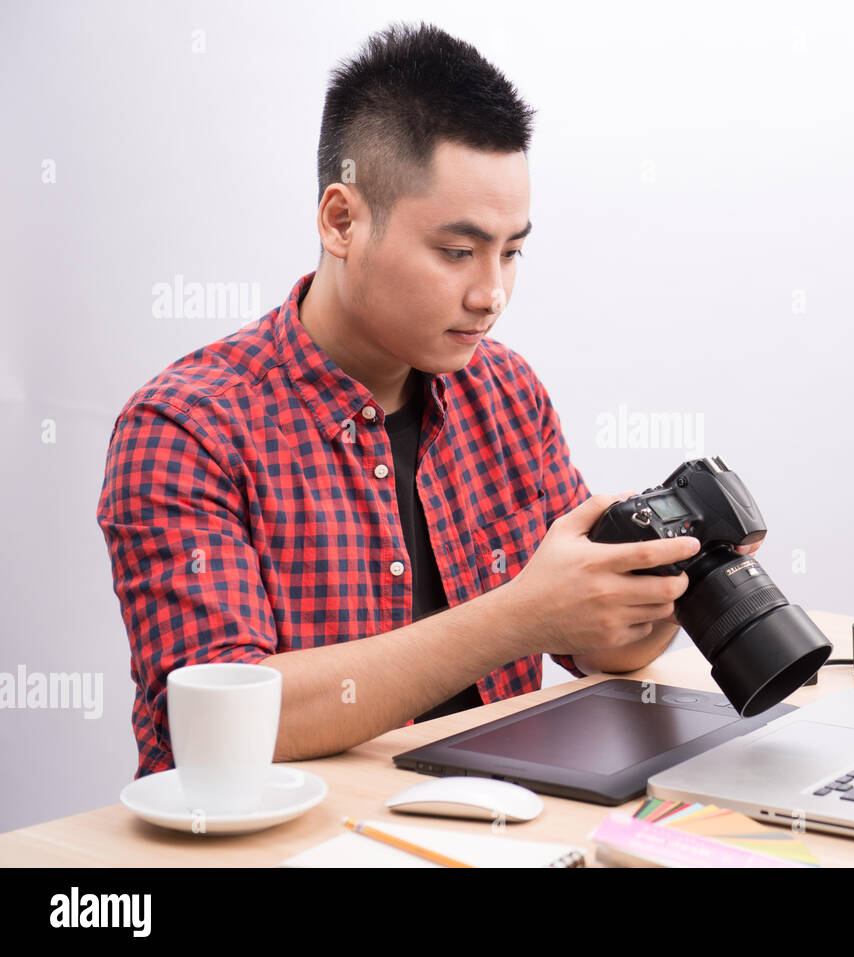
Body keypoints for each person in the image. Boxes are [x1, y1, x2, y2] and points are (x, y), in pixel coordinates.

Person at [97, 22, 710, 780]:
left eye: (511, 251)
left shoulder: (506, 393)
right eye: (457, 252)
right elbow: (220, 724)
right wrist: (519, 614)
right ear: (342, 220)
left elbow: (591, 647)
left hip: (500, 832)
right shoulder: (188, 428)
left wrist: (672, 580)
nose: (491, 295)